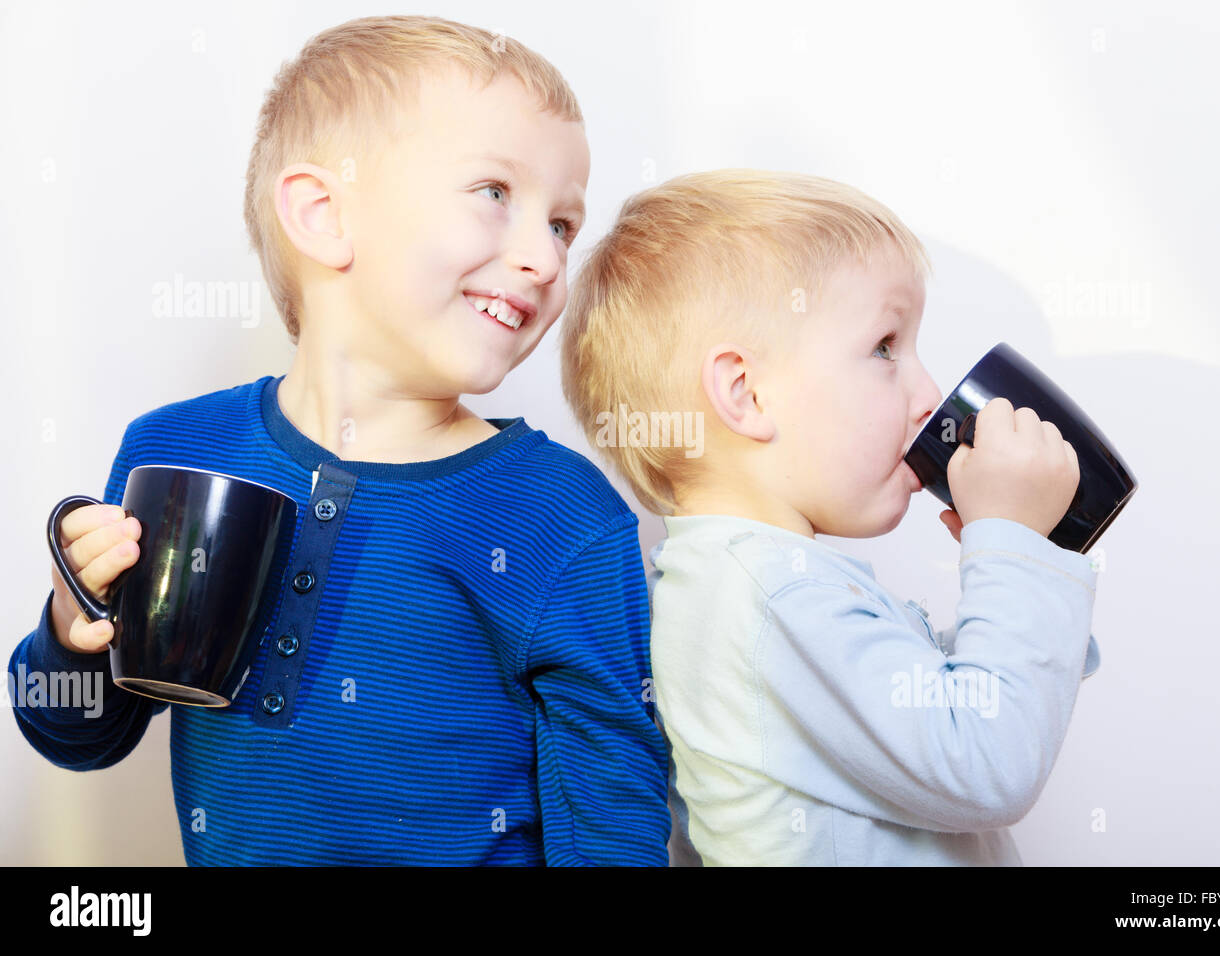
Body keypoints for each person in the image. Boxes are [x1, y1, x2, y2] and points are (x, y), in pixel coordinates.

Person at [10, 15, 669, 866]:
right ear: (322, 214)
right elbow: (76, 736)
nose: (545, 259)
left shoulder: (568, 519)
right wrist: (71, 629)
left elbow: (615, 825)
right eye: (497, 194)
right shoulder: (173, 451)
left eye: (563, 225)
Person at [559, 169, 1101, 865]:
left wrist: (1028, 561)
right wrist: (1016, 554)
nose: (928, 393)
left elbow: (928, 709)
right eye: (884, 347)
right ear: (746, 393)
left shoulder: (749, 583)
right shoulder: (774, 597)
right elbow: (984, 762)